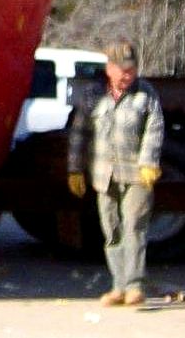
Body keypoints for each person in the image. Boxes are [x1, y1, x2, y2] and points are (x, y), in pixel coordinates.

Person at [65, 42, 164, 306]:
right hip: (103, 175)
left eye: (131, 70)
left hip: (137, 175)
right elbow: (79, 134)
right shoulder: (93, 95)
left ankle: (134, 286)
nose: (127, 75)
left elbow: (154, 130)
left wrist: (149, 162)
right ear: (109, 69)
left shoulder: (146, 94)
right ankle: (118, 286)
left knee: (134, 227)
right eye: (122, 70)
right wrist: (75, 169)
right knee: (112, 231)